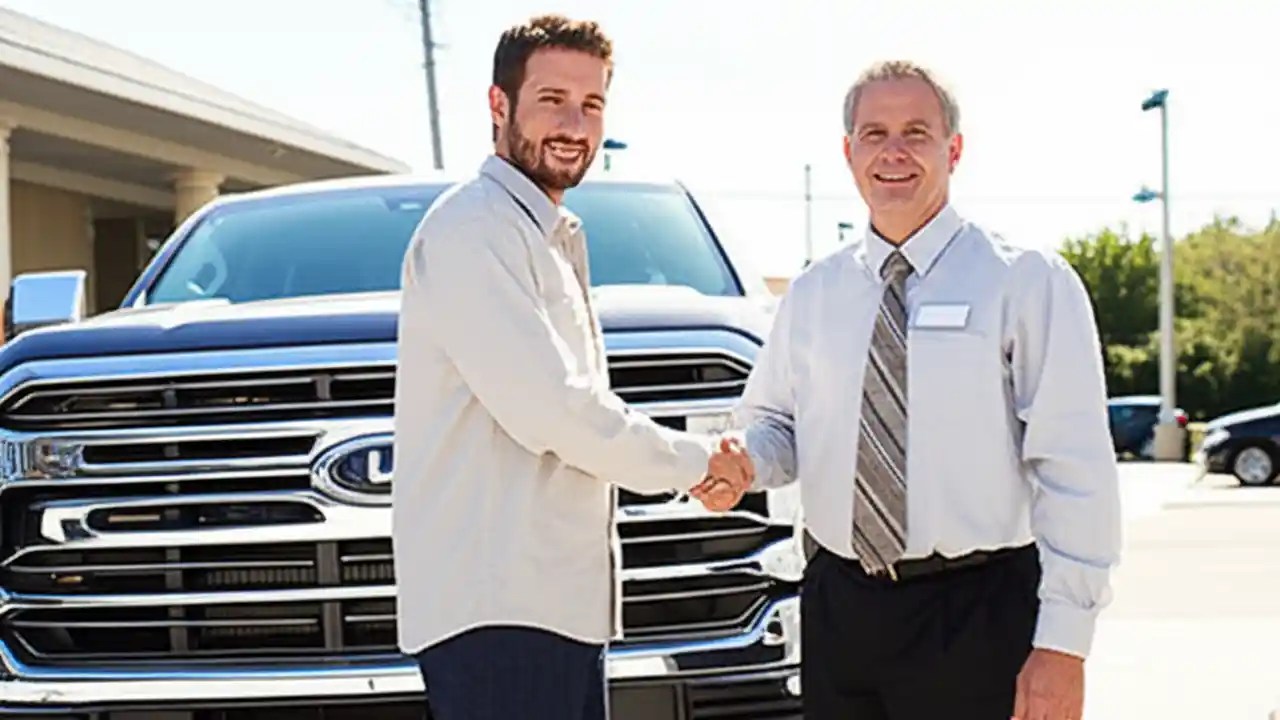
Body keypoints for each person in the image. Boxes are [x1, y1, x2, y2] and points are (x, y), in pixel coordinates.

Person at [721, 60, 1121, 720]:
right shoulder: (814, 293)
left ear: (953, 149)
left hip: (976, 614)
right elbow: (778, 425)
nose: (893, 152)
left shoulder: (1026, 281)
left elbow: (1074, 469)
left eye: (916, 132)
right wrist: (747, 460)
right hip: (838, 610)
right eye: (874, 133)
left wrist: (1063, 646)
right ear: (848, 152)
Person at [390, 14, 751, 720]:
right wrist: (697, 461)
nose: (574, 124)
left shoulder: (542, 233)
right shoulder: (474, 229)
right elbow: (554, 409)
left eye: (591, 105)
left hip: (552, 607)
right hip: (499, 614)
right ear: (499, 106)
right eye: (552, 99)